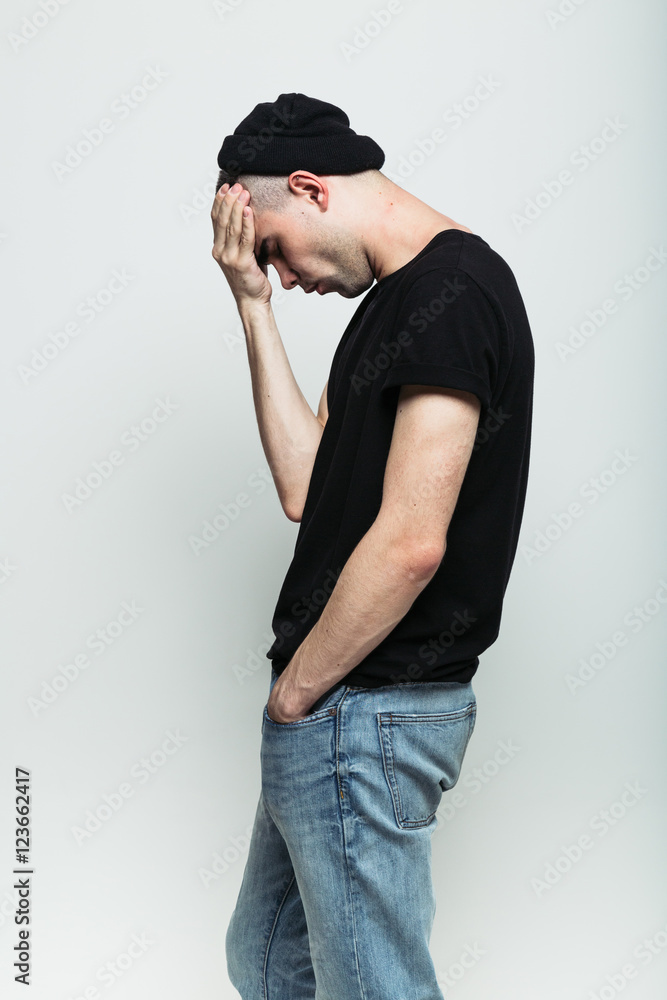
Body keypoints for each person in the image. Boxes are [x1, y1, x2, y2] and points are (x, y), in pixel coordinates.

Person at [211, 92, 534, 1000]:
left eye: (268, 251)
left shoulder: (452, 292)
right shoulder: (396, 304)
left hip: (368, 706)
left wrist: (296, 695)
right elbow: (305, 492)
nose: (280, 276)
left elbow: (409, 544)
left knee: (373, 988)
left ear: (309, 189)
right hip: (341, 707)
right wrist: (250, 310)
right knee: (269, 963)